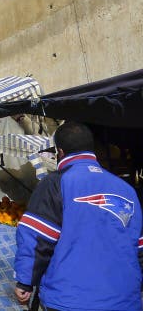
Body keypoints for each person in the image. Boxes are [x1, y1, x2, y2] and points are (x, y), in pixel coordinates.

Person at [13, 121, 143, 311]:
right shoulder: (127, 190)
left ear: (60, 152)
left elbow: (37, 238)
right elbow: (139, 248)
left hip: (71, 300)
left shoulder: (55, 183)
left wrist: (25, 281)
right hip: (125, 300)